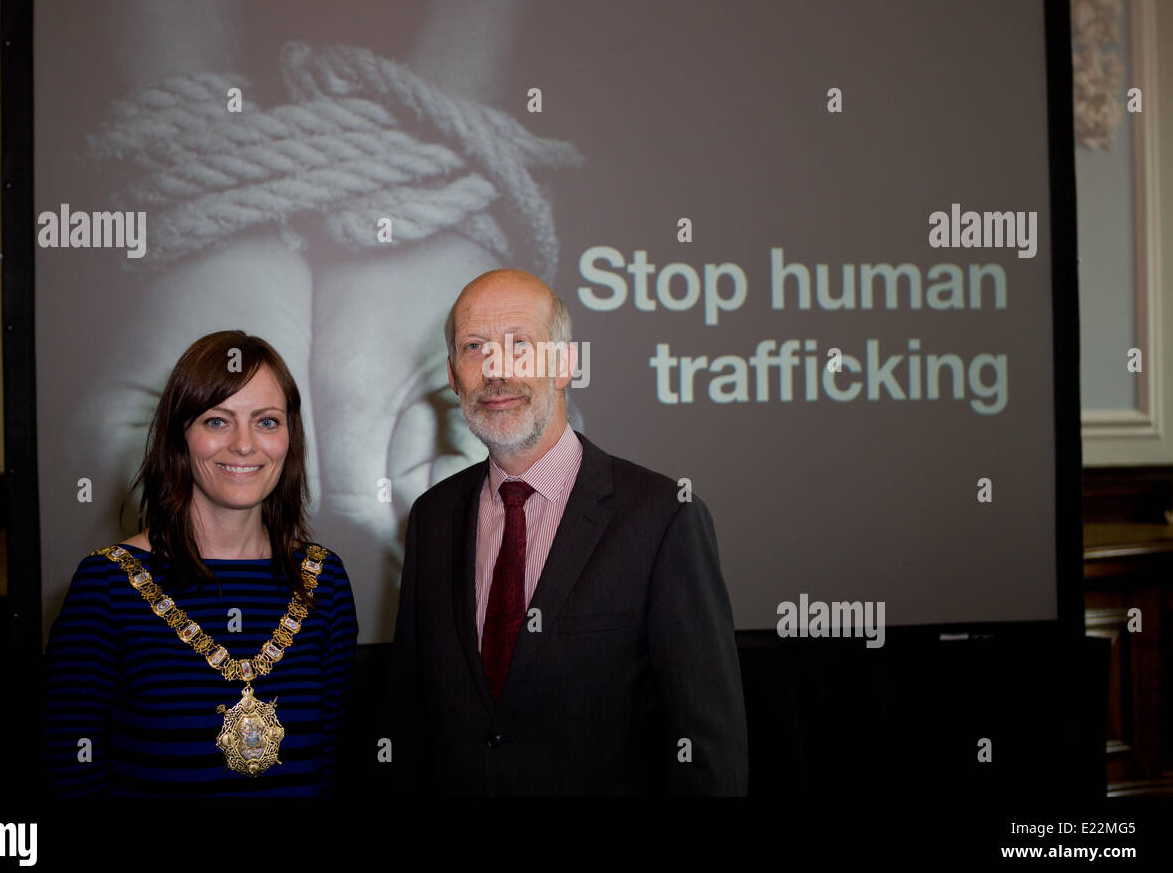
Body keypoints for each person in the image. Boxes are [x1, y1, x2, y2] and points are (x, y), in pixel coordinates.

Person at [386, 269, 748, 795]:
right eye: (474, 347)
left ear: (566, 365)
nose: (496, 369)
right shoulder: (432, 518)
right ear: (452, 373)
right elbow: (408, 721)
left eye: (520, 345)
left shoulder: (663, 517)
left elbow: (708, 748)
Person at [42, 330, 357, 795]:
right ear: (180, 435)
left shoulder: (324, 581)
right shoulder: (107, 584)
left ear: (290, 437)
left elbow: (330, 770)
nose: (245, 445)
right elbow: (72, 772)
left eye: (267, 421)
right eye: (217, 421)